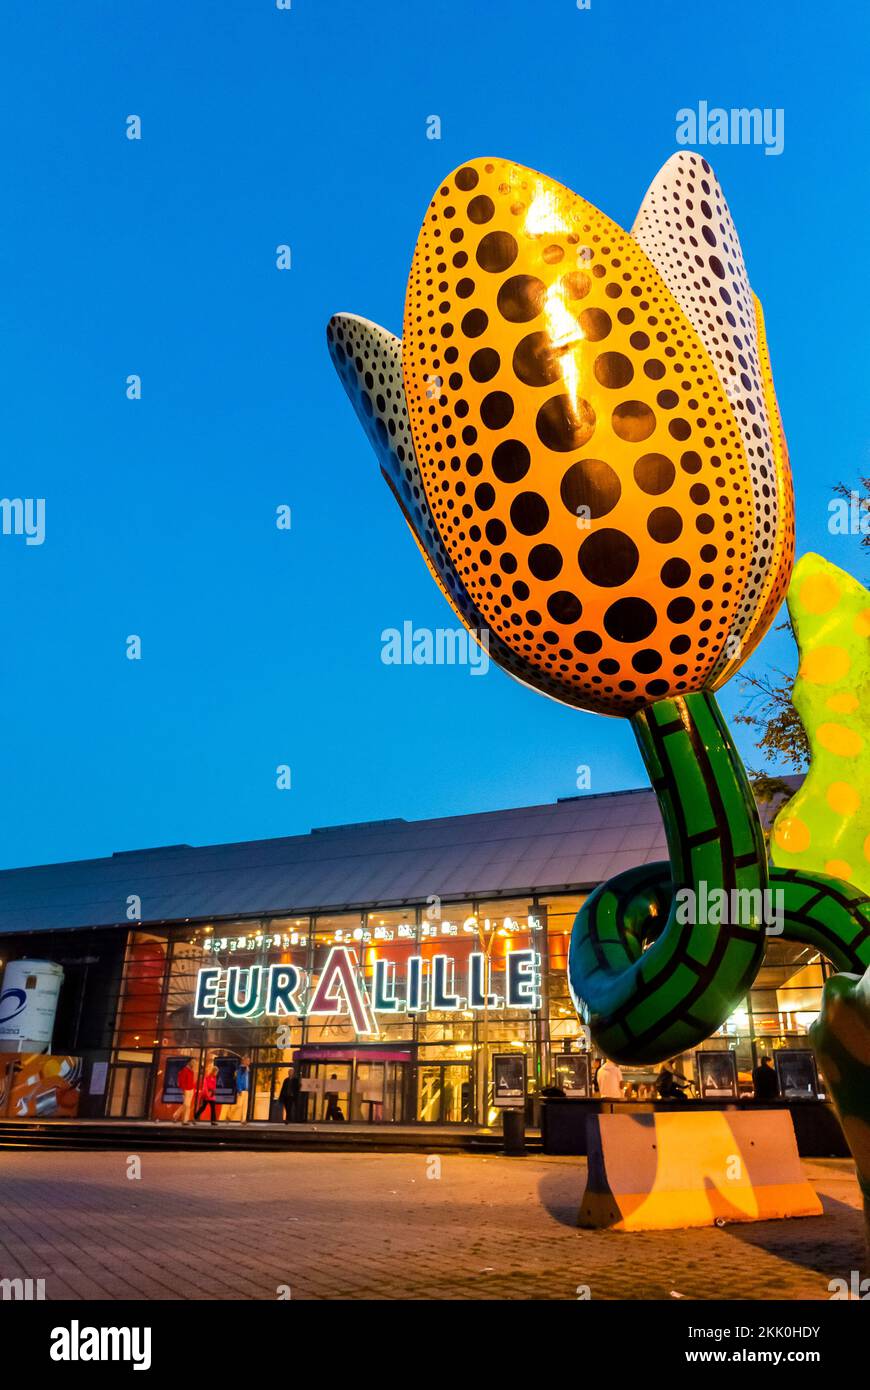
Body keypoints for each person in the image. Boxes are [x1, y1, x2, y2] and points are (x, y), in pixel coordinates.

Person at [175, 1059, 196, 1125]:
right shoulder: (185, 1070)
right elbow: (182, 1081)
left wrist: (193, 1089)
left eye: (195, 1063)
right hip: (186, 1090)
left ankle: (176, 1115)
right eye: (193, 1063)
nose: (194, 1064)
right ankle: (184, 1121)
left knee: (186, 1105)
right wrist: (183, 1090)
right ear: (190, 1063)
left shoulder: (191, 1071)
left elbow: (192, 1080)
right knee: (186, 1105)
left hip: (191, 1089)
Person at [233, 1056, 250, 1123]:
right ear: (244, 1061)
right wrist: (239, 1089)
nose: (249, 1062)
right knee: (239, 1105)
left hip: (246, 1090)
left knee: (245, 1106)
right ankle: (230, 1114)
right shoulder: (241, 1069)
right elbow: (238, 1080)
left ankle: (243, 1120)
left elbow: (247, 1080)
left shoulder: (247, 1069)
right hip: (241, 1090)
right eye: (248, 1061)